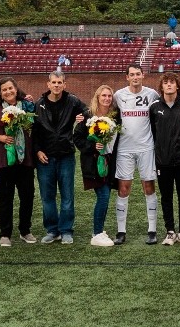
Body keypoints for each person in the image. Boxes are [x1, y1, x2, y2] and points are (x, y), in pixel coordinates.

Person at [33, 70, 87, 245]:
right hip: (45, 157)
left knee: (67, 195)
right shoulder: (39, 103)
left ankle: (66, 230)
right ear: (48, 84)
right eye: (53, 82)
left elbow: (88, 110)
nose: (56, 85)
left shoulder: (72, 101)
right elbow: (33, 132)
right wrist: (37, 150)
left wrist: (83, 116)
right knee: (47, 196)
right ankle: (52, 230)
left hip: (65, 155)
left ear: (65, 84)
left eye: (60, 83)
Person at [0, 78, 37, 246]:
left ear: (16, 88)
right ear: (0, 92)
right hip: (2, 159)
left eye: (10, 88)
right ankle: (5, 233)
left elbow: (34, 127)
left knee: (27, 196)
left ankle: (25, 230)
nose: (8, 92)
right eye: (4, 90)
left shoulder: (26, 106)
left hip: (24, 159)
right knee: (6, 197)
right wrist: (2, 138)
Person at [111, 65, 161, 245]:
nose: (135, 77)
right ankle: (121, 231)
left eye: (138, 74)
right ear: (127, 77)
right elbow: (101, 107)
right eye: (131, 75)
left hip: (147, 147)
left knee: (149, 187)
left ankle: (152, 230)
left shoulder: (152, 94)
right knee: (123, 188)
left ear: (143, 75)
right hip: (125, 149)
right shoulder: (118, 95)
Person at [149, 73, 180, 245]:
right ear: (161, 87)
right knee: (166, 197)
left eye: (172, 82)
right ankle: (169, 231)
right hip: (163, 160)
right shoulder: (154, 107)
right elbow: (153, 132)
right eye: (165, 83)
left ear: (177, 86)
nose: (169, 85)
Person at [76, 84, 120, 247]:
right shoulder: (88, 116)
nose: (107, 98)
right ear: (97, 97)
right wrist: (92, 146)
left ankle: (100, 230)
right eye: (104, 96)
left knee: (106, 195)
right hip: (94, 163)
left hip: (110, 162)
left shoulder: (115, 116)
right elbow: (77, 139)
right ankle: (96, 233)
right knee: (103, 196)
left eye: (109, 96)